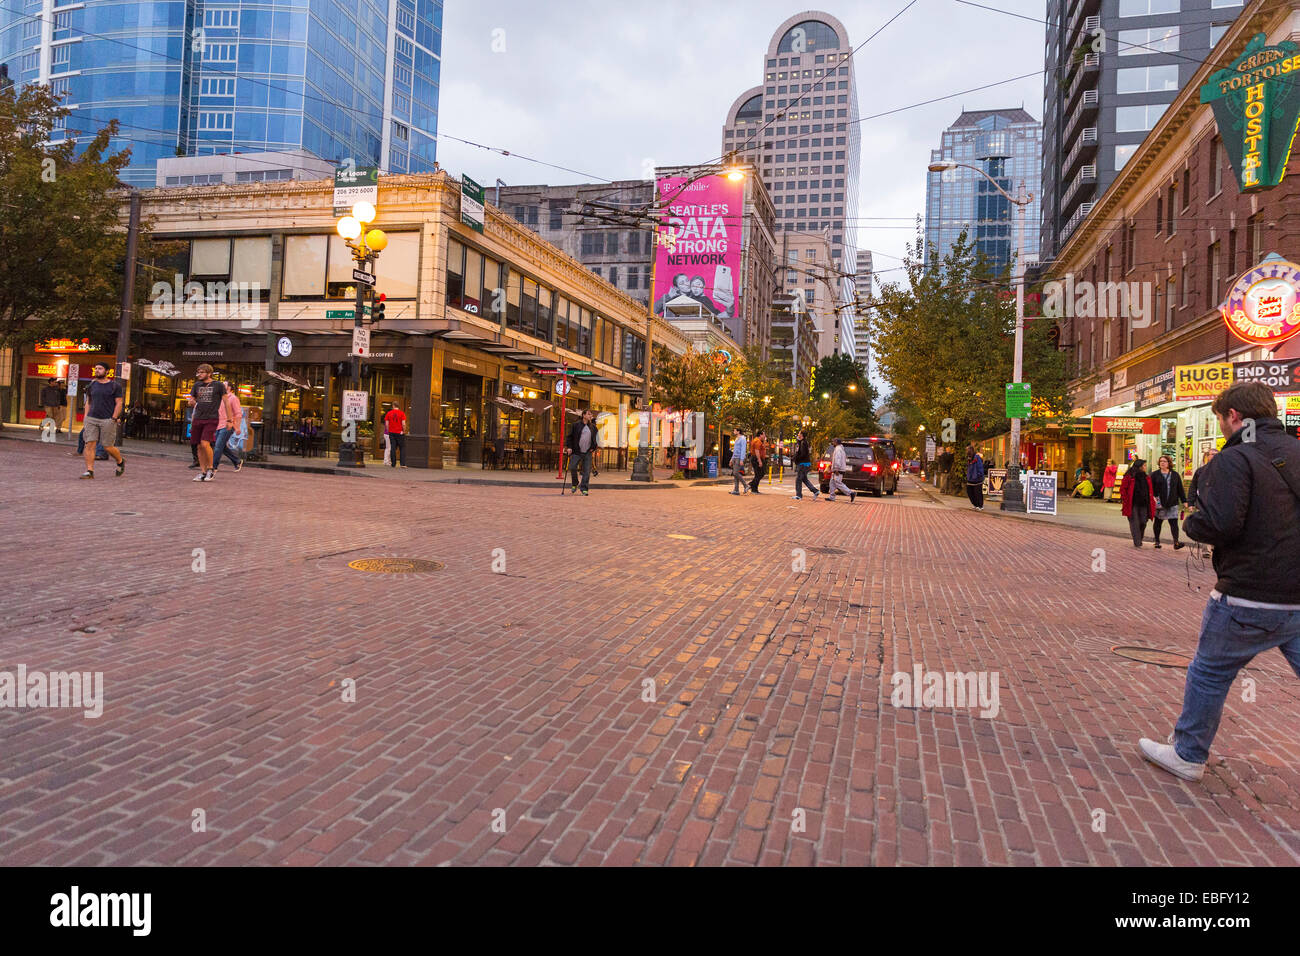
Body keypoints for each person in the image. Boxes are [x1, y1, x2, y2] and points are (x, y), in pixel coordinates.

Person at [1139, 382, 1300, 781]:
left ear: (1233, 417)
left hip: (1247, 594)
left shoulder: (1236, 458)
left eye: (1222, 421)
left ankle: (1188, 754)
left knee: (1209, 673)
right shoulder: (1295, 451)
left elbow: (1221, 524)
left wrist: (1192, 522)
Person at [79, 362, 125, 479]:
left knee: (107, 446)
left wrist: (114, 418)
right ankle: (90, 471)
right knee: (90, 444)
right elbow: (88, 401)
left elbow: (119, 403)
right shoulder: (92, 385)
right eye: (96, 368)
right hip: (91, 418)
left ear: (107, 371)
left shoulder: (114, 386)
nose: (97, 370)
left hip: (107, 419)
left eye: (100, 368)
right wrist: (86, 416)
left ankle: (120, 461)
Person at [187, 363, 227, 482]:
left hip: (211, 417)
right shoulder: (196, 385)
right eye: (198, 372)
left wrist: (230, 420)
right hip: (198, 417)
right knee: (198, 445)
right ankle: (203, 472)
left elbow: (226, 402)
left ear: (209, 373)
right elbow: (192, 399)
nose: (199, 374)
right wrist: (191, 402)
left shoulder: (218, 385)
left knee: (205, 443)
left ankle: (211, 469)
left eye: (202, 372)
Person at [1150, 454, 1186, 550]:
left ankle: (1176, 542)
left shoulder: (1175, 475)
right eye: (1161, 461)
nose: (1162, 463)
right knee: (1158, 522)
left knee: (1174, 522)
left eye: (1164, 461)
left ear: (1169, 463)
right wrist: (1152, 497)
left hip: (1172, 502)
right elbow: (1150, 488)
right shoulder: (1154, 474)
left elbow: (1180, 489)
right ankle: (1157, 541)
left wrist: (1184, 501)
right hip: (1159, 503)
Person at [1120, 457, 1156, 548]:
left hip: (1144, 503)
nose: (1145, 467)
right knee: (1134, 522)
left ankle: (1139, 538)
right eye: (1144, 465)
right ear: (1139, 466)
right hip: (1132, 503)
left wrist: (1152, 499)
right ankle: (1137, 541)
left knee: (1143, 521)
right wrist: (1126, 499)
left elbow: (1150, 490)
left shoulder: (1146, 477)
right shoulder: (1129, 476)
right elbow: (1123, 489)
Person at [564, 408, 599, 495]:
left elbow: (597, 439)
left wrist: (593, 448)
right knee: (572, 467)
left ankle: (584, 488)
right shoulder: (576, 425)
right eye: (588, 414)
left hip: (587, 452)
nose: (590, 416)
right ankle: (575, 483)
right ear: (583, 415)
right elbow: (570, 437)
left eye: (591, 414)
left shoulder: (593, 427)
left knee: (586, 471)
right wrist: (569, 447)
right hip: (576, 451)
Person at [212, 383, 245, 473]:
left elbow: (238, 413)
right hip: (218, 424)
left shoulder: (233, 398)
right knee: (219, 445)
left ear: (229, 388)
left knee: (218, 446)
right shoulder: (220, 398)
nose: (221, 385)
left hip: (228, 425)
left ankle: (213, 467)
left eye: (224, 384)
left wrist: (237, 427)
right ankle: (237, 461)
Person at [791, 429, 820, 500]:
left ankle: (799, 495)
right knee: (804, 479)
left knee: (798, 479)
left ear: (802, 435)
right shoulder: (802, 442)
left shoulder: (803, 443)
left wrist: (796, 459)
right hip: (804, 464)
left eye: (799, 433)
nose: (798, 434)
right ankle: (815, 491)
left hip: (803, 464)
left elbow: (803, 454)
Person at [826, 438, 856, 502]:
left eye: (833, 441)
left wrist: (836, 468)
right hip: (838, 469)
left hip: (838, 469)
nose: (832, 443)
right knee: (832, 483)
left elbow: (838, 459)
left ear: (836, 442)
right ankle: (832, 497)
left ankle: (850, 493)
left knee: (838, 483)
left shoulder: (838, 449)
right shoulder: (840, 449)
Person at [385, 403, 408, 468]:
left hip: (392, 432)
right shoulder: (402, 413)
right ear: (398, 406)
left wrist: (389, 430)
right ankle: (402, 464)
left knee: (393, 448)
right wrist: (404, 431)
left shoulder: (389, 413)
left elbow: (387, 424)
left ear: (393, 406)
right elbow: (403, 424)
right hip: (400, 433)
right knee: (402, 448)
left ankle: (393, 464)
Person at [728, 427, 748, 496]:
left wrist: (742, 459)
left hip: (739, 458)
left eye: (735, 430)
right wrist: (731, 459)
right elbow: (735, 450)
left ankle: (746, 485)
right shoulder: (736, 439)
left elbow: (743, 449)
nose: (734, 431)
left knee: (735, 473)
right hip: (735, 457)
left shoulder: (743, 438)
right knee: (735, 474)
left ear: (738, 431)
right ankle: (736, 490)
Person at [749, 430, 767, 494]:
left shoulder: (759, 441)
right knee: (759, 473)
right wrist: (759, 461)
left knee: (759, 474)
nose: (765, 436)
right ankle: (752, 486)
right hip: (756, 459)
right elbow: (757, 451)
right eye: (764, 434)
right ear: (760, 435)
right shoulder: (757, 441)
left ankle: (754, 488)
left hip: (757, 458)